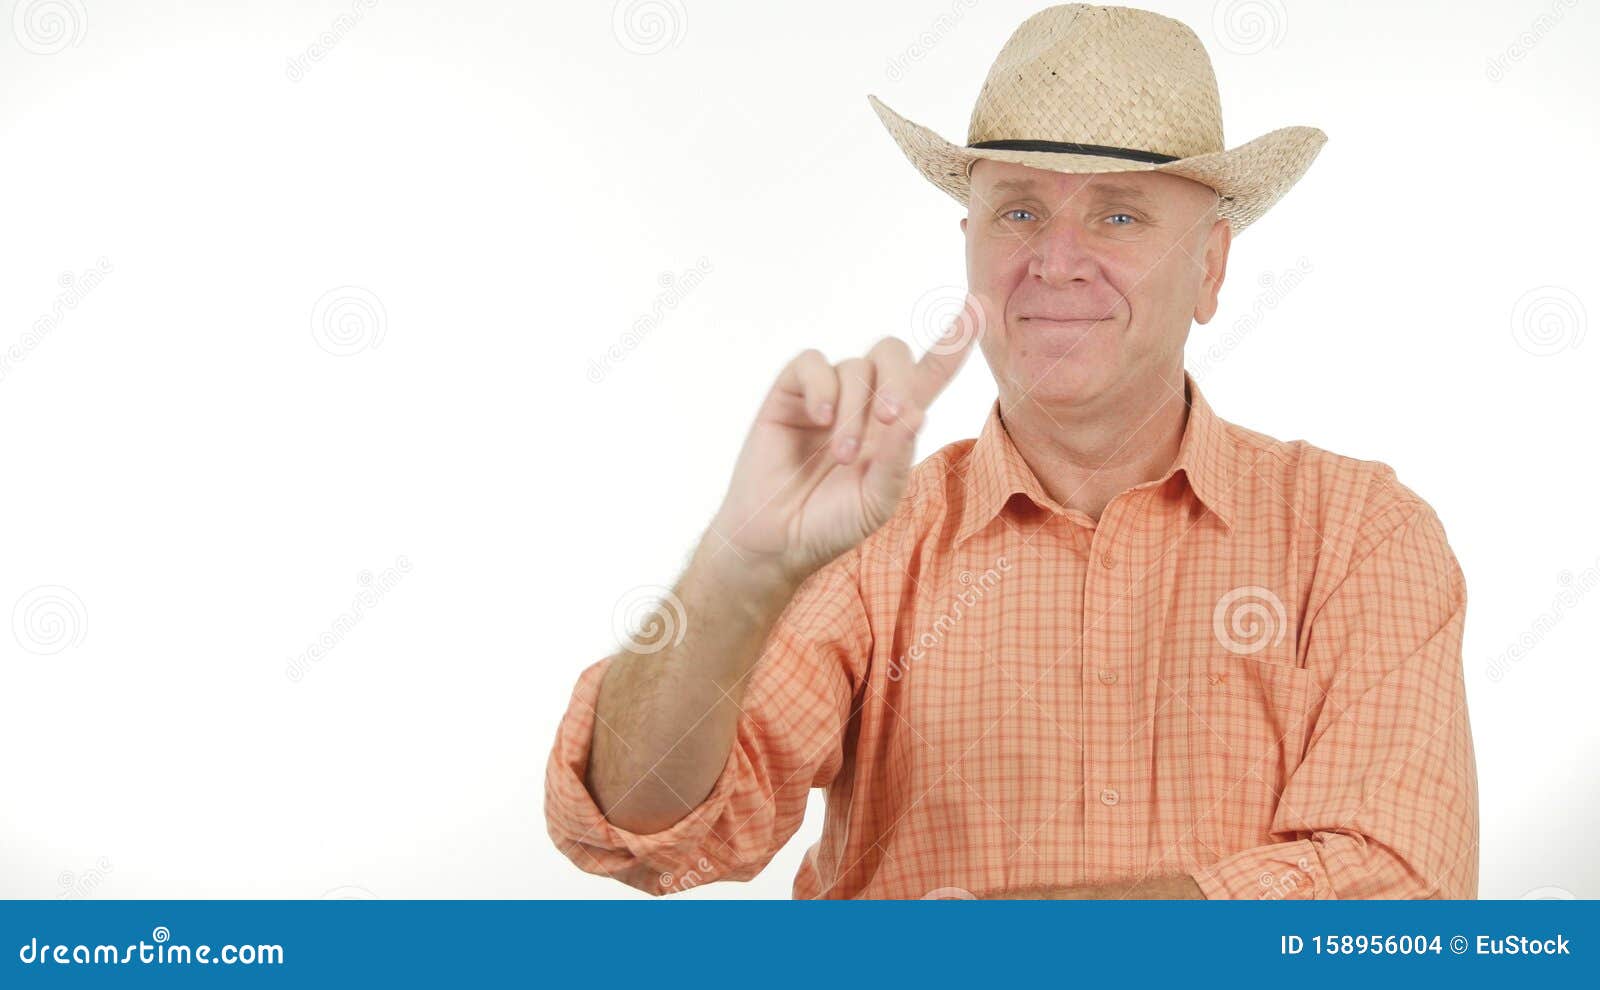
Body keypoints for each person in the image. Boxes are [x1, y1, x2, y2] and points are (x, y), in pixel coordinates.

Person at [544, 3, 1478, 899]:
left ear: (1212, 266)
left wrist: (988, 944)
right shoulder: (863, 535)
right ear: (969, 245)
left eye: (1119, 216)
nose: (1056, 260)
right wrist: (742, 565)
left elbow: (1400, 893)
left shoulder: (1359, 534)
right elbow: (645, 837)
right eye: (1019, 213)